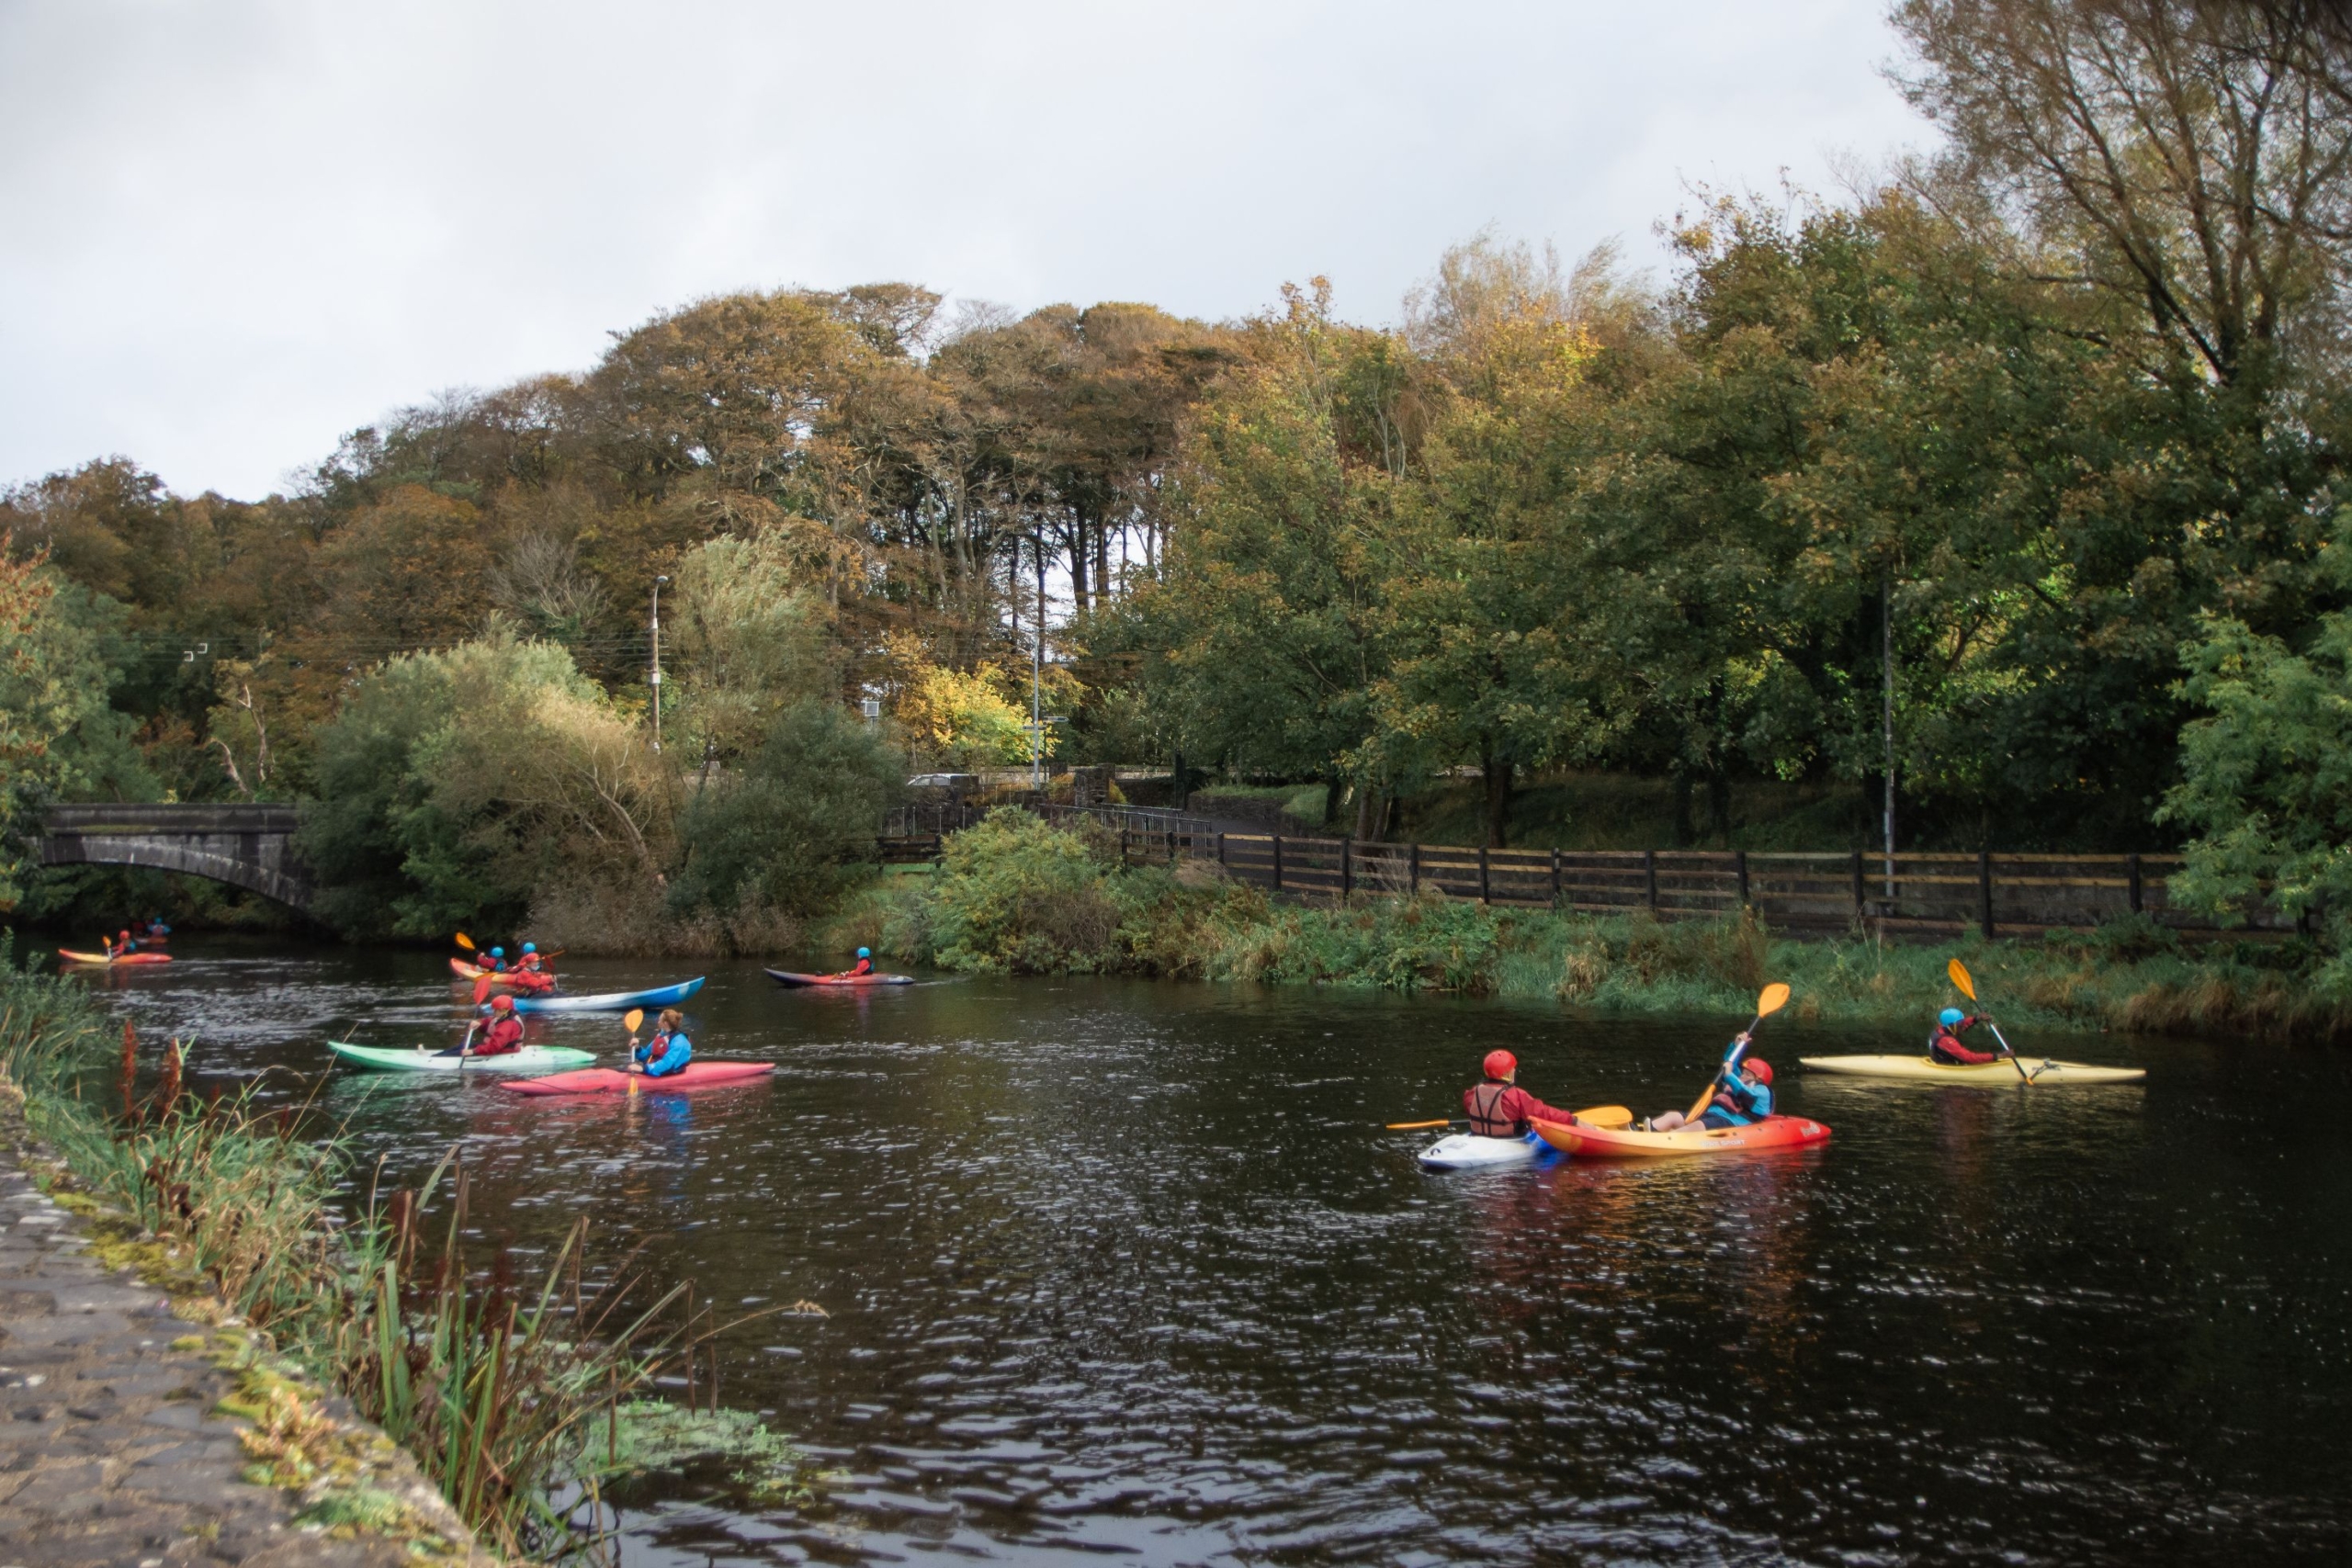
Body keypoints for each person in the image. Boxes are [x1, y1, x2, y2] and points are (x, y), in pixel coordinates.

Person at [1463, 1050, 1579, 1137]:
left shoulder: (1472, 1094)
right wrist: (1572, 1120)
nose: (1514, 1070)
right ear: (1507, 1074)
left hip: (1477, 1137)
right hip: (1510, 1141)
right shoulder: (1515, 1096)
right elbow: (1543, 1112)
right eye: (1512, 1069)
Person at [1650, 1048, 1773, 1131]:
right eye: (1743, 1072)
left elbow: (1745, 1093)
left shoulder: (1763, 1091)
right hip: (1713, 1114)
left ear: (1758, 1079)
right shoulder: (1739, 1081)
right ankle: (1649, 1129)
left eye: (1747, 1074)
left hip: (1734, 1121)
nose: (1742, 1076)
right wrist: (1736, 1045)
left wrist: (1729, 1075)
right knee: (1672, 1116)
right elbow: (1730, 1062)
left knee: (1698, 1125)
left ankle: (1665, 1140)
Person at [444, 993, 524, 1057]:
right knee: (462, 1047)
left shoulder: (507, 1026)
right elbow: (490, 1022)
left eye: (495, 1010)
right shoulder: (503, 1018)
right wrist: (480, 1023)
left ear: (503, 1010)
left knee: (460, 1051)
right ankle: (439, 1056)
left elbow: (494, 1047)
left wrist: (473, 1051)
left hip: (500, 1052)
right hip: (489, 1048)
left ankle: (440, 1058)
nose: (493, 1012)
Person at [629, 1009, 693, 1078]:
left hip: (671, 1071)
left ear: (665, 1023)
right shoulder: (662, 1036)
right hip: (657, 1068)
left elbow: (667, 1064)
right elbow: (646, 1056)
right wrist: (637, 1048)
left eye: (659, 1020)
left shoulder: (679, 1041)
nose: (658, 1022)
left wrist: (643, 1069)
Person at [1928, 1007, 1999, 1066]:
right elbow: (1968, 1057)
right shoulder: (1946, 1041)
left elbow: (1964, 1023)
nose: (1963, 1025)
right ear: (1951, 1025)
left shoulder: (1945, 1027)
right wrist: (1996, 1056)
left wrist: (1977, 1018)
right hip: (1946, 1067)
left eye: (1962, 1022)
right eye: (1960, 1023)